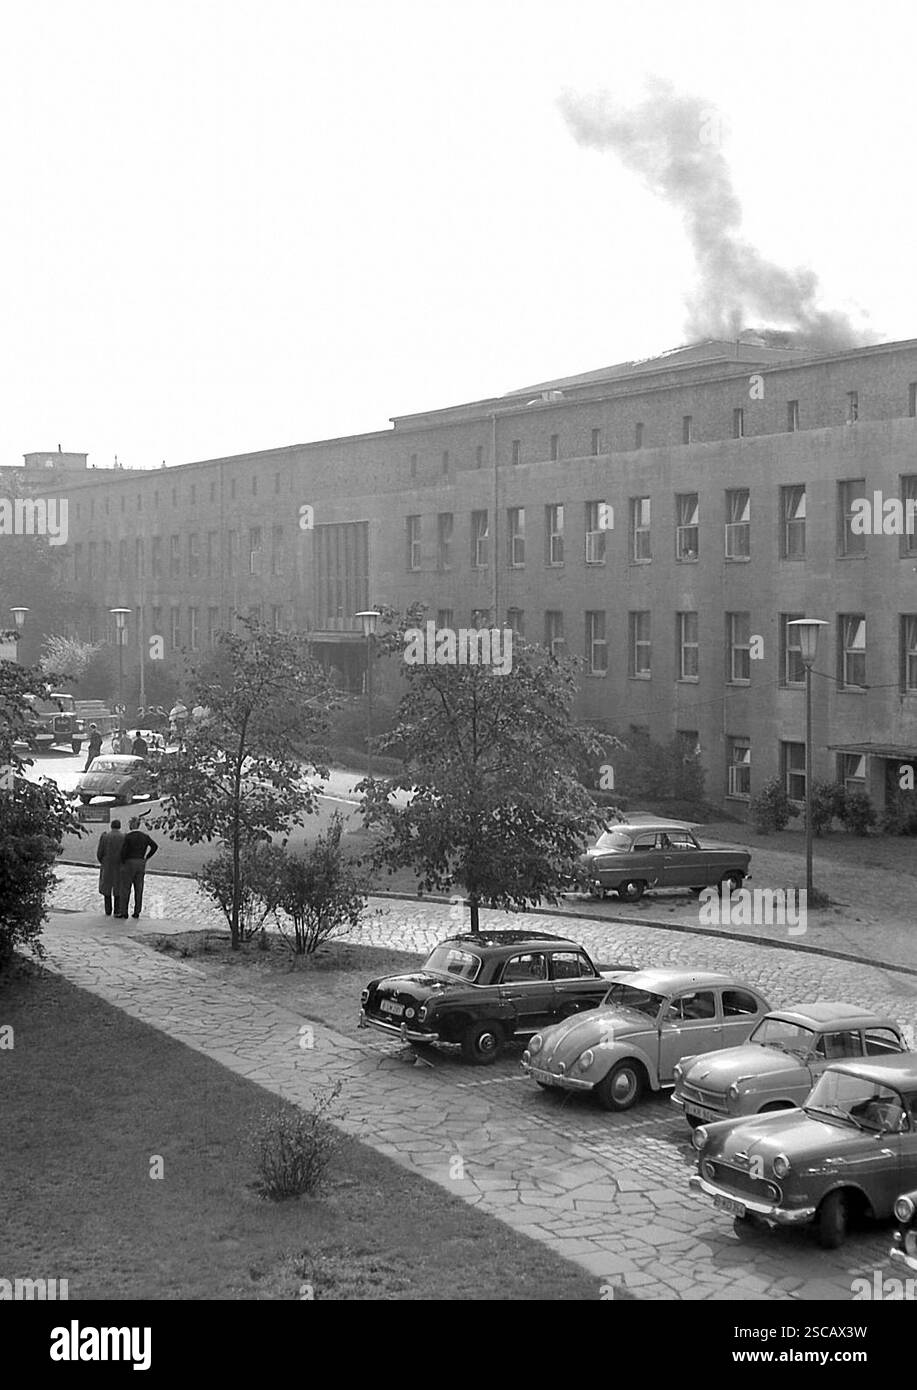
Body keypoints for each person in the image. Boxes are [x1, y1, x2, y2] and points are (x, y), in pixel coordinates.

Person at [117, 816, 158, 920]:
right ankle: (137, 911)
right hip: (140, 862)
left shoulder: (128, 837)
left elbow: (124, 851)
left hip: (129, 862)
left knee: (125, 888)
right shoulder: (145, 836)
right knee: (139, 888)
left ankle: (124, 911)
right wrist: (146, 857)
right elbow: (154, 846)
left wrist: (122, 861)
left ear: (131, 825)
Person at [96, 819, 125, 916]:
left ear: (111, 826)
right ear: (119, 826)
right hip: (119, 864)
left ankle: (108, 910)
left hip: (107, 864)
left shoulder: (105, 836)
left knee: (107, 887)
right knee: (118, 887)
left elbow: (100, 852)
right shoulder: (124, 837)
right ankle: (117, 910)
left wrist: (103, 861)